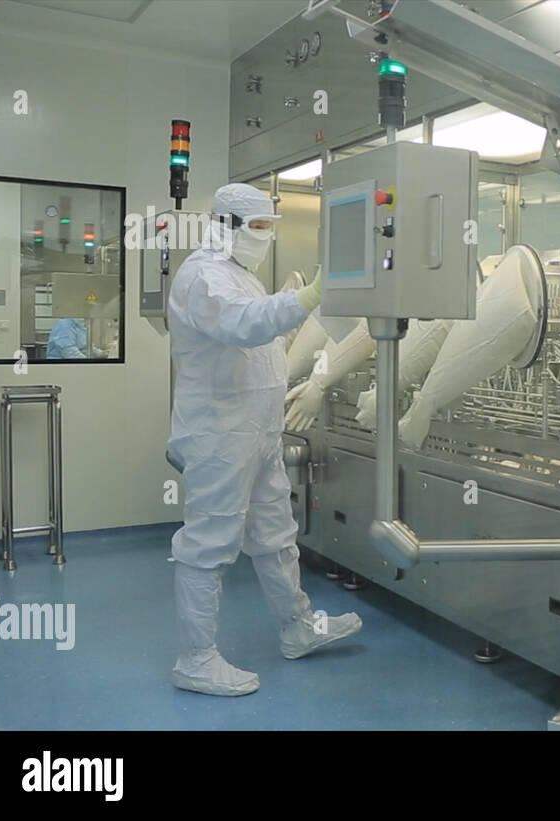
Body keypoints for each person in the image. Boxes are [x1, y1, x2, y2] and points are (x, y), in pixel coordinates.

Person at [166, 183, 361, 697]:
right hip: (218, 434)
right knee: (208, 545)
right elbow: (244, 325)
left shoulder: (240, 276)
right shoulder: (204, 276)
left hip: (255, 433)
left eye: (271, 227)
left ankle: (298, 628)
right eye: (259, 227)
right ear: (226, 224)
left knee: (275, 533)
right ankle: (196, 658)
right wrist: (310, 296)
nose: (267, 237)